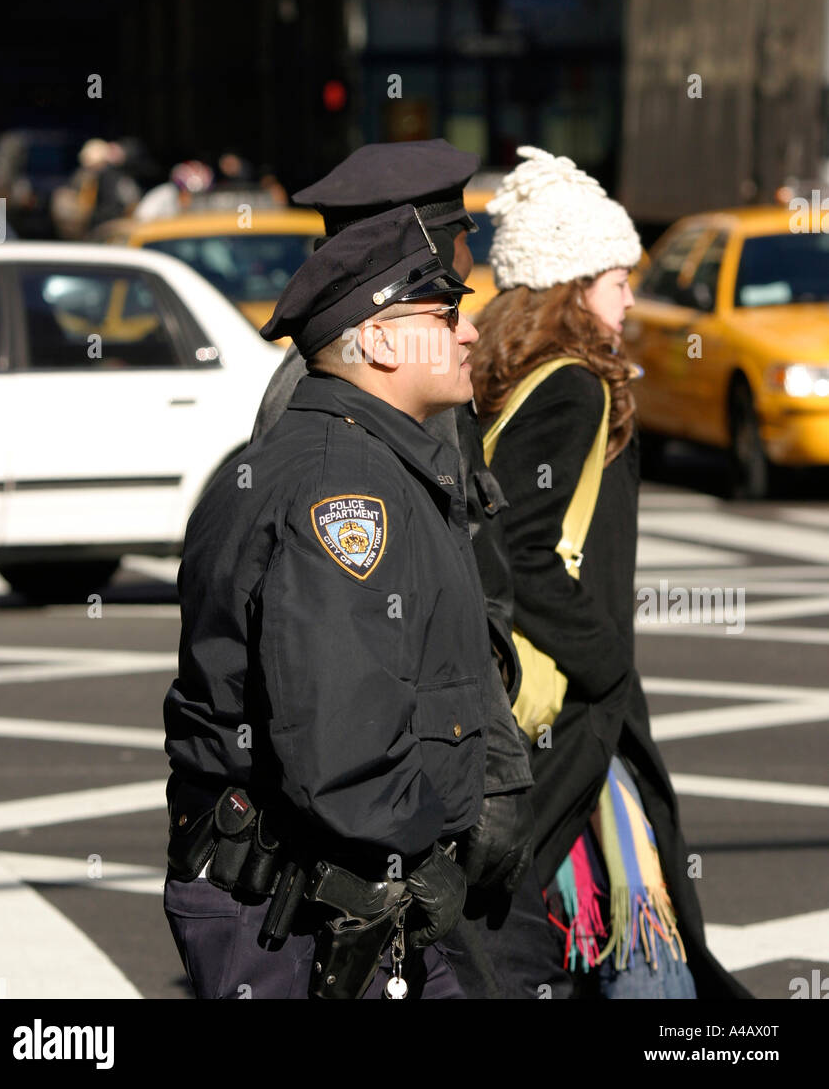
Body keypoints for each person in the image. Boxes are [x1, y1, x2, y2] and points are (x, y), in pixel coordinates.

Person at [163, 205, 495, 999]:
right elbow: (340, 735)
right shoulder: (344, 488)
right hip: (305, 907)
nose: (470, 332)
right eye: (445, 314)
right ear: (380, 340)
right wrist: (414, 857)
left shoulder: (362, 460)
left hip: (329, 889)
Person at [454, 147, 750, 1000]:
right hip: (574, 710)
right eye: (620, 280)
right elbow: (527, 552)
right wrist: (606, 659)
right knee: (641, 941)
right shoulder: (576, 388)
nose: (631, 299)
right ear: (575, 283)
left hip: (554, 707)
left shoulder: (501, 378)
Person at [252, 139, 534, 913]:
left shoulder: (375, 364)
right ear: (428, 243)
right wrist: (494, 782)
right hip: (427, 791)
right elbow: (403, 636)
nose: (474, 255)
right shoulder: (383, 387)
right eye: (462, 234)